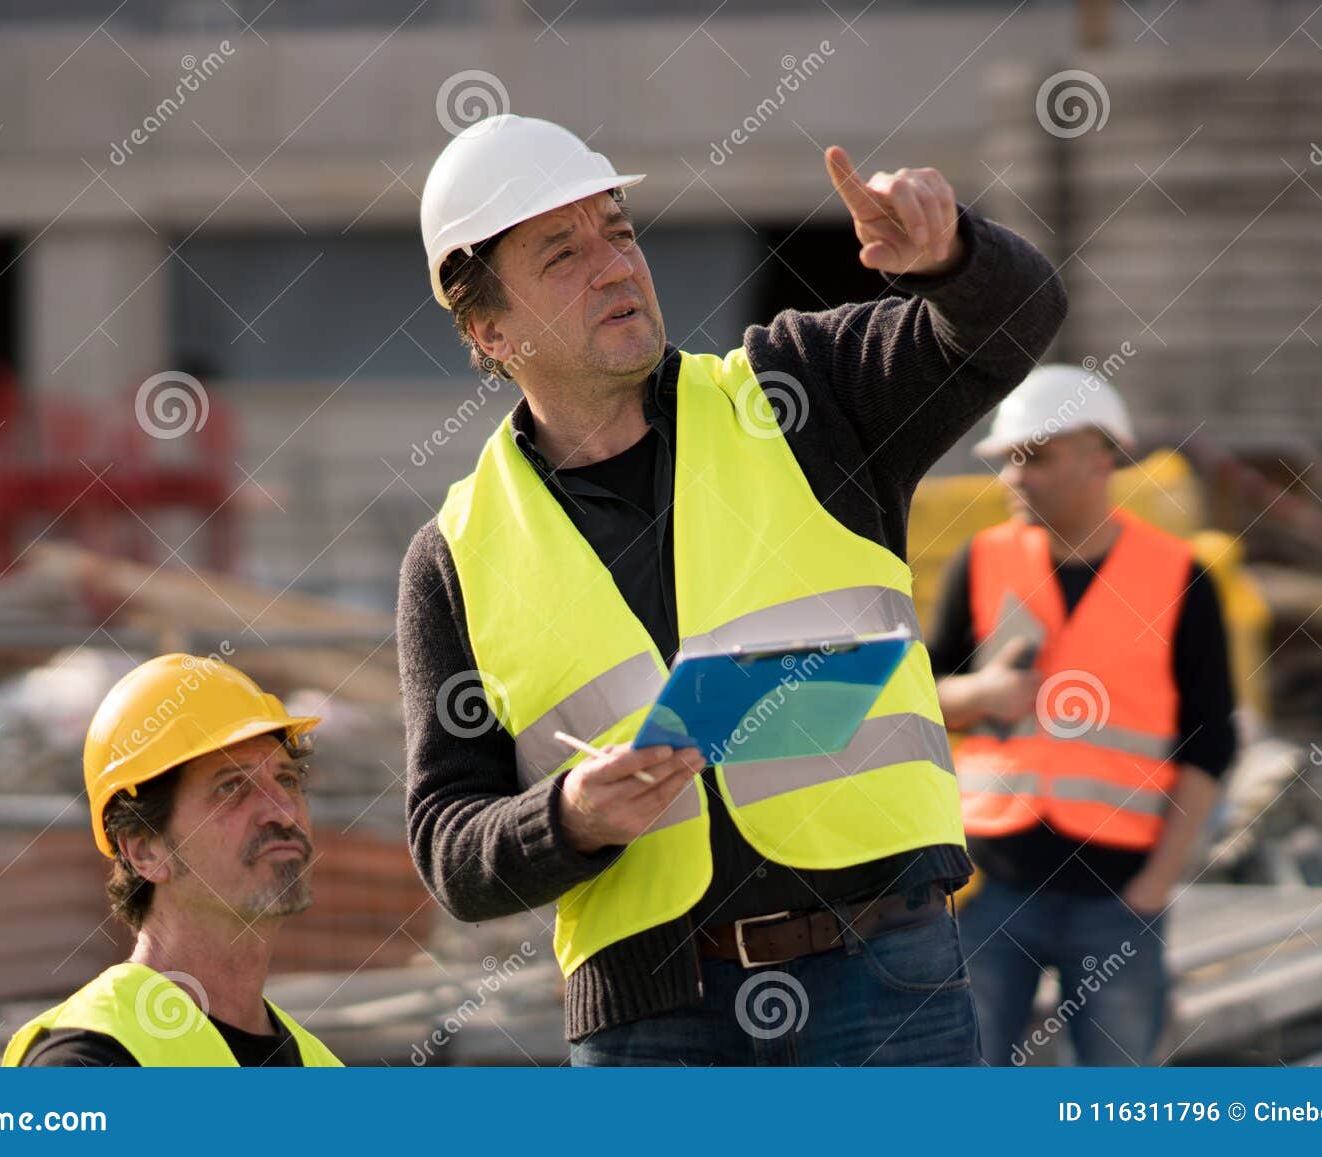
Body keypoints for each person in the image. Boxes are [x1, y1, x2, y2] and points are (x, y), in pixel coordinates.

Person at [400, 113, 1067, 1065]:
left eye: (618, 230)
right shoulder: (453, 556)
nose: (614, 265)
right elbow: (449, 845)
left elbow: (1017, 322)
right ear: (486, 327)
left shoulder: (802, 392)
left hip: (883, 976)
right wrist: (568, 818)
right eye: (562, 253)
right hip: (652, 1021)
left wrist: (952, 256)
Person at [928, 365, 1237, 1066]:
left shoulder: (1180, 577)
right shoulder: (981, 560)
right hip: (987, 889)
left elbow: (1210, 744)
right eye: (1007, 457)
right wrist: (975, 696)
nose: (1013, 475)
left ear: (1102, 457)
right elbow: (914, 695)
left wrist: (1156, 884)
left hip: (1117, 899)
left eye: (1035, 455)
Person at [4, 654, 343, 1067]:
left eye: (286, 780)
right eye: (231, 787)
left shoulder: (321, 1065)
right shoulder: (85, 1062)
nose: (283, 811)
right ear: (144, 850)